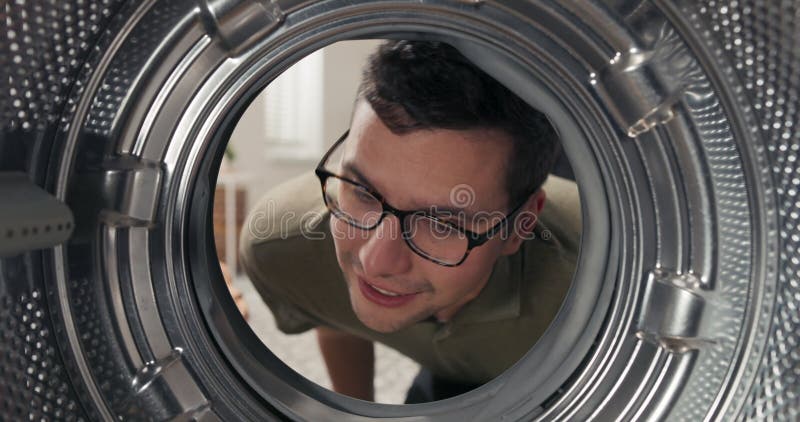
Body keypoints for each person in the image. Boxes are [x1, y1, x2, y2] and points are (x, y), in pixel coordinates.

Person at [239, 40, 581, 403]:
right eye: (362, 191)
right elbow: (331, 309)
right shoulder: (282, 246)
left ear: (520, 225)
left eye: (440, 223)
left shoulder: (600, 293)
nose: (375, 262)